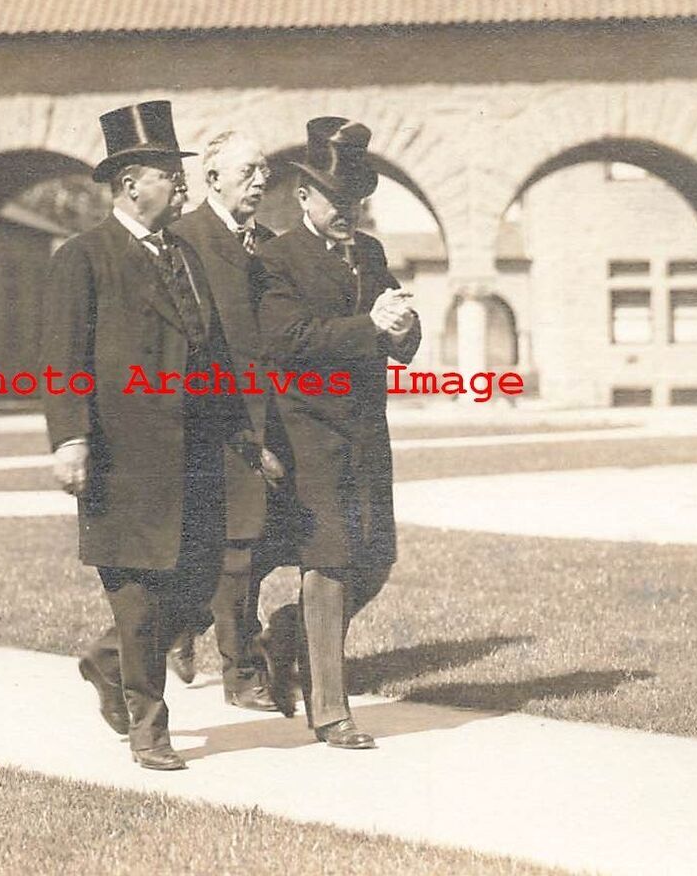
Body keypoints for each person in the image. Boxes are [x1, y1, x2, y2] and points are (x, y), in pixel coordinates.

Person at [41, 100, 249, 771]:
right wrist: (70, 439)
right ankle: (148, 728)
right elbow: (63, 357)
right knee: (137, 596)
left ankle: (107, 664)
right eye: (168, 172)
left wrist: (243, 435)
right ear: (131, 183)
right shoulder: (84, 257)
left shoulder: (184, 253)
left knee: (198, 583)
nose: (180, 184)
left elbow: (210, 347)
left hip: (192, 454)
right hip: (122, 460)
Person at [253, 116, 421, 750]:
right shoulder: (276, 260)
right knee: (329, 562)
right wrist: (370, 329)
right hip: (309, 431)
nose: (349, 211)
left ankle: (286, 636)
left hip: (365, 433)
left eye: (356, 201)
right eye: (336, 200)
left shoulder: (370, 254)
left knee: (375, 559)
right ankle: (330, 712)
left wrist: (403, 331)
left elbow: (392, 331)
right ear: (303, 197)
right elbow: (287, 342)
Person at [166, 131, 289, 712]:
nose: (260, 180)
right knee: (230, 549)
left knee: (254, 547)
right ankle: (240, 671)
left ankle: (192, 623)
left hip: (270, 416)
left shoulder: (267, 244)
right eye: (248, 170)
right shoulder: (183, 239)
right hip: (212, 420)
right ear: (213, 179)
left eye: (264, 169)